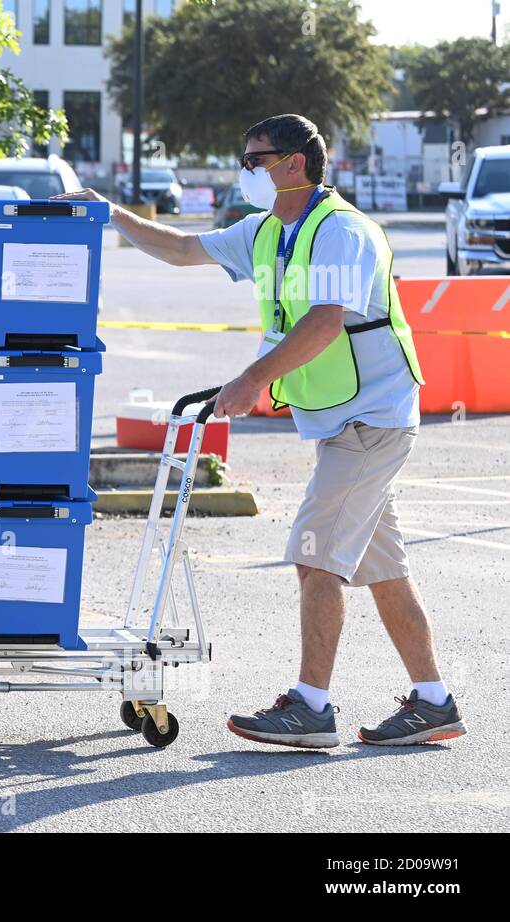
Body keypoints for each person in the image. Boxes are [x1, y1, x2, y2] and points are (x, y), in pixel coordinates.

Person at [57, 113, 465, 748]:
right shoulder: (271, 231)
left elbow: (326, 322)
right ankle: (435, 702)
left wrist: (250, 380)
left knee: (314, 557)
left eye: (254, 161)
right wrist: (111, 212)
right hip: (343, 418)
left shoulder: (342, 233)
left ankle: (311, 707)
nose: (244, 172)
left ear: (293, 163)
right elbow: (184, 249)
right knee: (381, 569)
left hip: (371, 417)